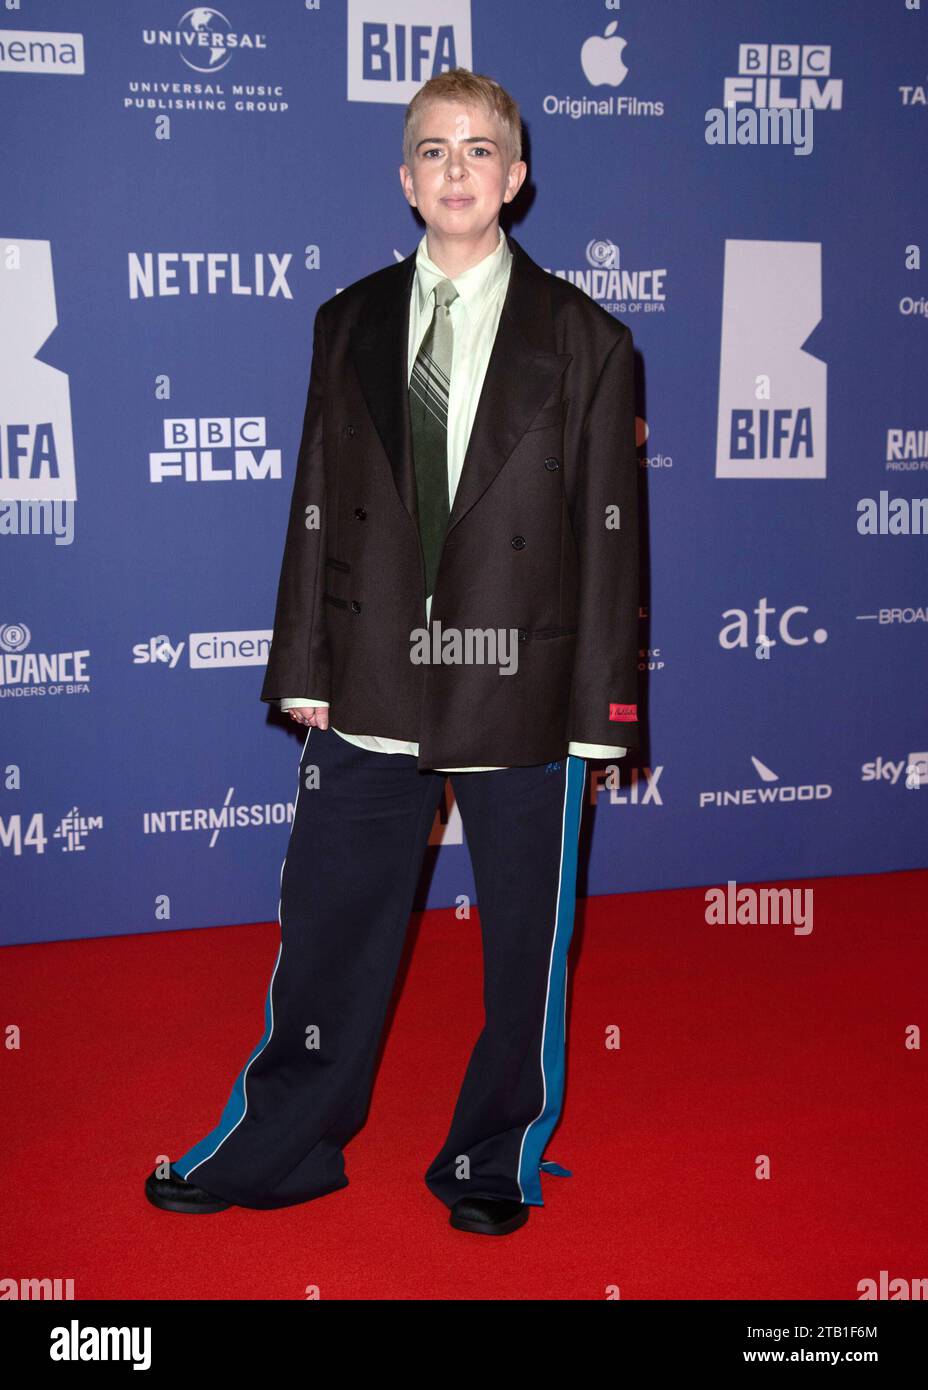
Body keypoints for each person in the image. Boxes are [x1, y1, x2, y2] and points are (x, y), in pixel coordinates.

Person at [146, 67, 639, 1236]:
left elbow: (611, 542)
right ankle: (283, 1143)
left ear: (515, 180)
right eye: (433, 150)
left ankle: (489, 1154)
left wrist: (599, 715)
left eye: (480, 151)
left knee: (526, 944)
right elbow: (316, 501)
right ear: (405, 178)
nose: (456, 170)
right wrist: (304, 665)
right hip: (369, 677)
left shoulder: (587, 338)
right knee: (326, 927)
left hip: (524, 683)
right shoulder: (349, 321)